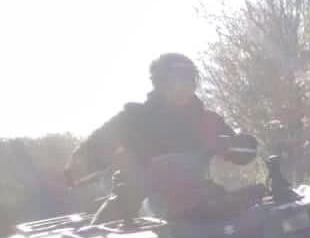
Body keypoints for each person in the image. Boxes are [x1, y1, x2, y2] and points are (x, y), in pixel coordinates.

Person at [64, 53, 258, 216]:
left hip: (196, 201)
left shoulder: (208, 120)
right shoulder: (134, 119)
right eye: (173, 81)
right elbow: (93, 149)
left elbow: (238, 148)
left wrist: (241, 147)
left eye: (187, 79)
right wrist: (76, 169)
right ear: (159, 84)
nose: (181, 87)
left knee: (245, 210)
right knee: (114, 223)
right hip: (143, 207)